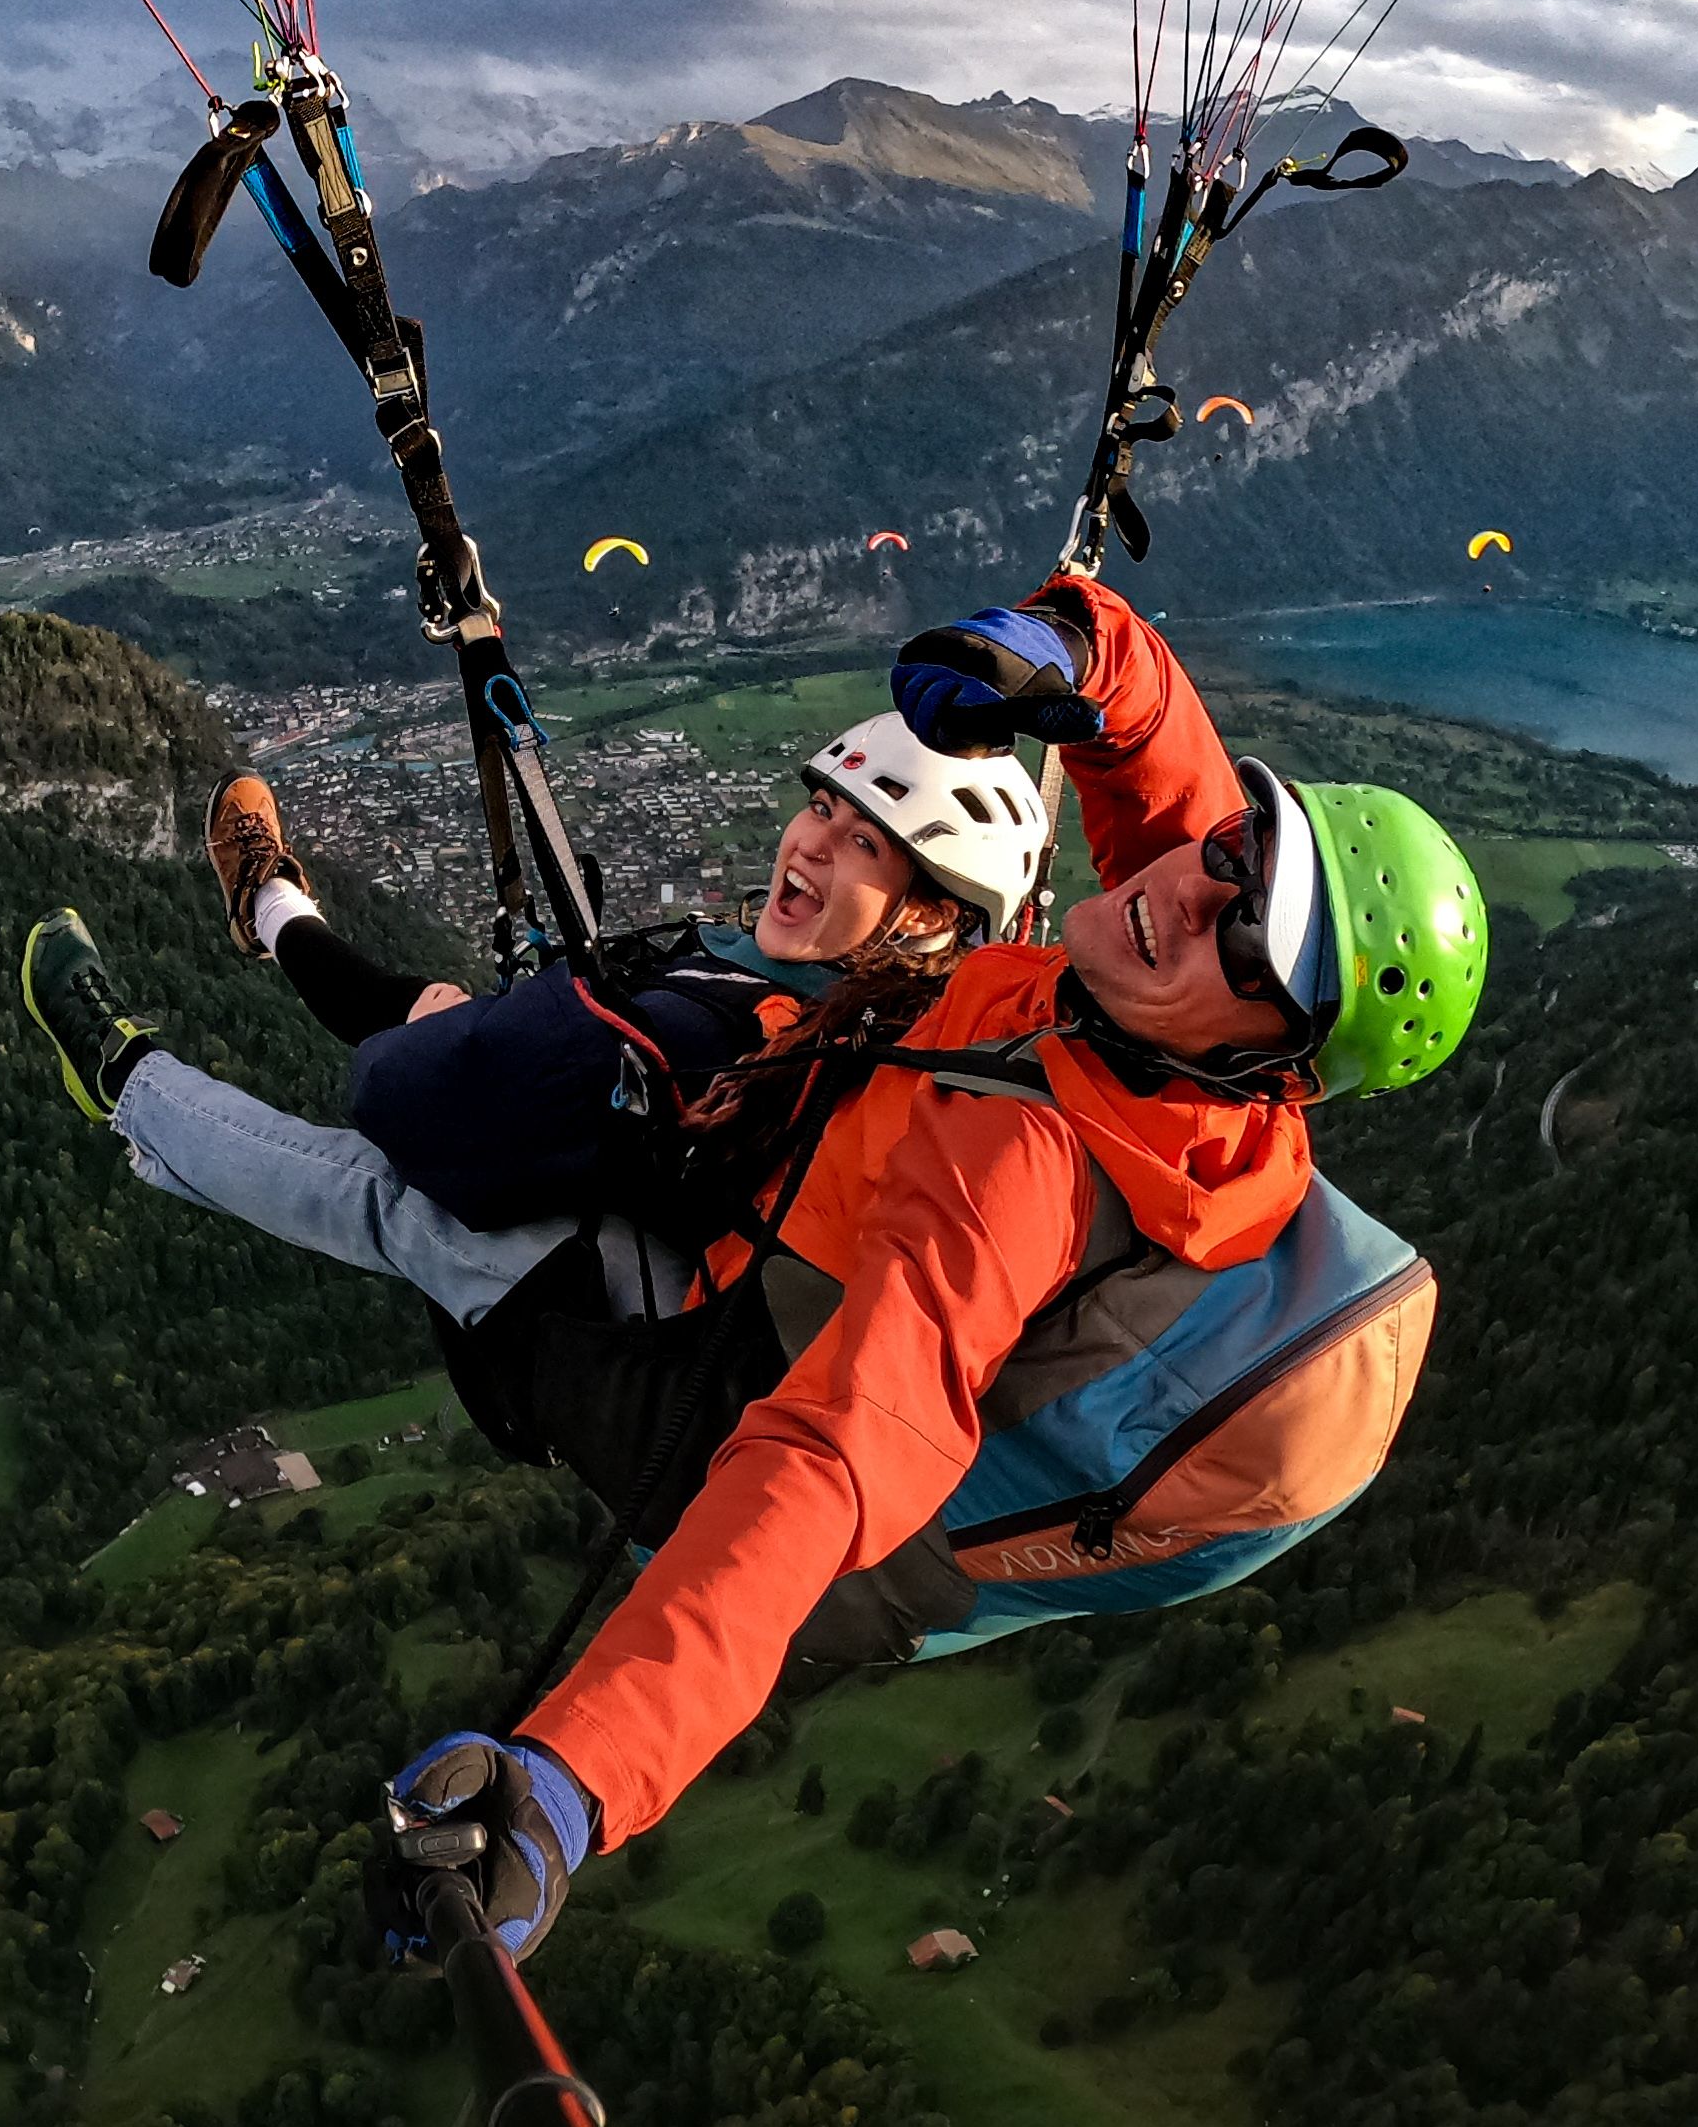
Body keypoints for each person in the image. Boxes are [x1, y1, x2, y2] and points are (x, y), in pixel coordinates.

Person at [373, 571, 1490, 1958]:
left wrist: (577, 1777)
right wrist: (1071, 653)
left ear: (1272, 1064)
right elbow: (1159, 755)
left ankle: (153, 1086)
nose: (1191, 893)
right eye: (1235, 854)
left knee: (456, 1257)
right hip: (804, 1187)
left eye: (1246, 934)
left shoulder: (1029, 1170)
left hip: (769, 1394)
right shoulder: (1172, 959)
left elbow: (835, 1461)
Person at [18, 714, 1048, 1332]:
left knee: (389, 1195)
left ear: (923, 913)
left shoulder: (716, 1034)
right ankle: (274, 906)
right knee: (447, 1015)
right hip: (711, 1270)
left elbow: (397, 1097)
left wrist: (478, 1035)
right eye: (821, 807)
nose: (811, 843)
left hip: (673, 1345)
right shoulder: (916, 1019)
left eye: (862, 842)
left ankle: (122, 1076)